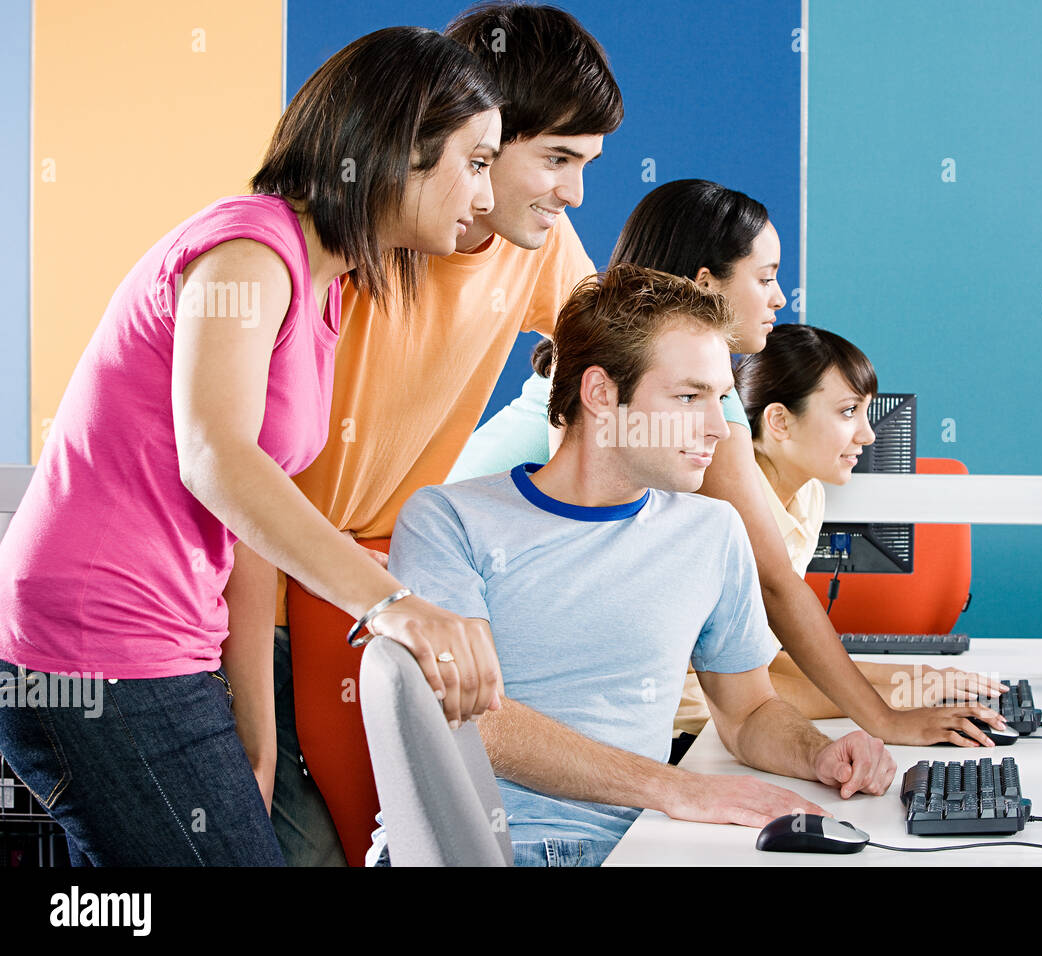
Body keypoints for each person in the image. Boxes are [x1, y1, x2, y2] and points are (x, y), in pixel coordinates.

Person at [0, 26, 506, 866]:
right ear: (398, 147)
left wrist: (256, 733)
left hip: (167, 647)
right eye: (476, 161)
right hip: (95, 645)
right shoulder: (249, 249)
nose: (484, 197)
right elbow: (216, 458)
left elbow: (256, 513)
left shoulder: (326, 289)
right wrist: (391, 602)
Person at [451, 179, 1006, 758]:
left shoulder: (663, 381)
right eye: (764, 277)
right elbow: (773, 583)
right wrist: (884, 718)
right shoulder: (623, 391)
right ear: (704, 284)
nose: (780, 299)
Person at [374, 264, 897, 867]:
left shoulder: (712, 530)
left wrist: (818, 754)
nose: (716, 428)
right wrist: (676, 788)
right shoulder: (447, 521)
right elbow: (473, 719)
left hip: (639, 846)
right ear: (601, 394)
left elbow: (748, 710)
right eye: (687, 396)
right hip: (491, 847)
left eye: (720, 399)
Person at [263, 2, 623, 865]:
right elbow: (237, 468)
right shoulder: (350, 242)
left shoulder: (535, 241)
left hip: (385, 587)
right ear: (475, 140)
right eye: (559, 159)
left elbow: (620, 357)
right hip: (267, 589)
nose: (575, 192)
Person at [735, 323, 997, 724]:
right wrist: (897, 700)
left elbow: (766, 660)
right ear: (779, 422)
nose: (869, 435)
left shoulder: (807, 495)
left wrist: (917, 677)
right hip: (689, 741)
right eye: (847, 412)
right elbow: (726, 688)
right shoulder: (729, 516)